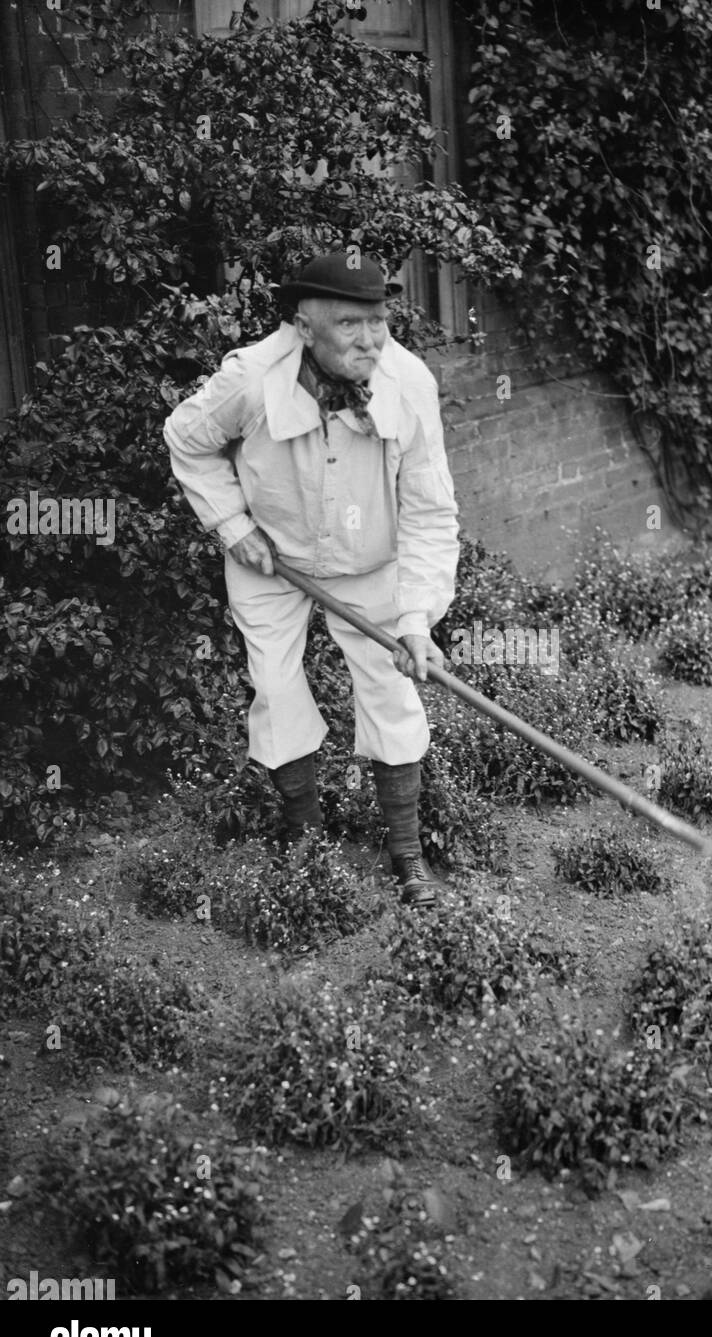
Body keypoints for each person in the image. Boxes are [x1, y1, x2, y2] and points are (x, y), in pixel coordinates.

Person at [163, 252, 459, 907]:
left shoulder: (407, 383)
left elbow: (430, 511)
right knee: (274, 686)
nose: (369, 339)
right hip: (272, 559)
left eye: (378, 320)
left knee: (391, 688)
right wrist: (234, 527)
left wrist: (414, 620)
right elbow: (186, 438)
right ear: (302, 326)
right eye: (350, 325)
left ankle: (406, 855)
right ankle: (305, 839)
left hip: (370, 562)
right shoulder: (250, 379)